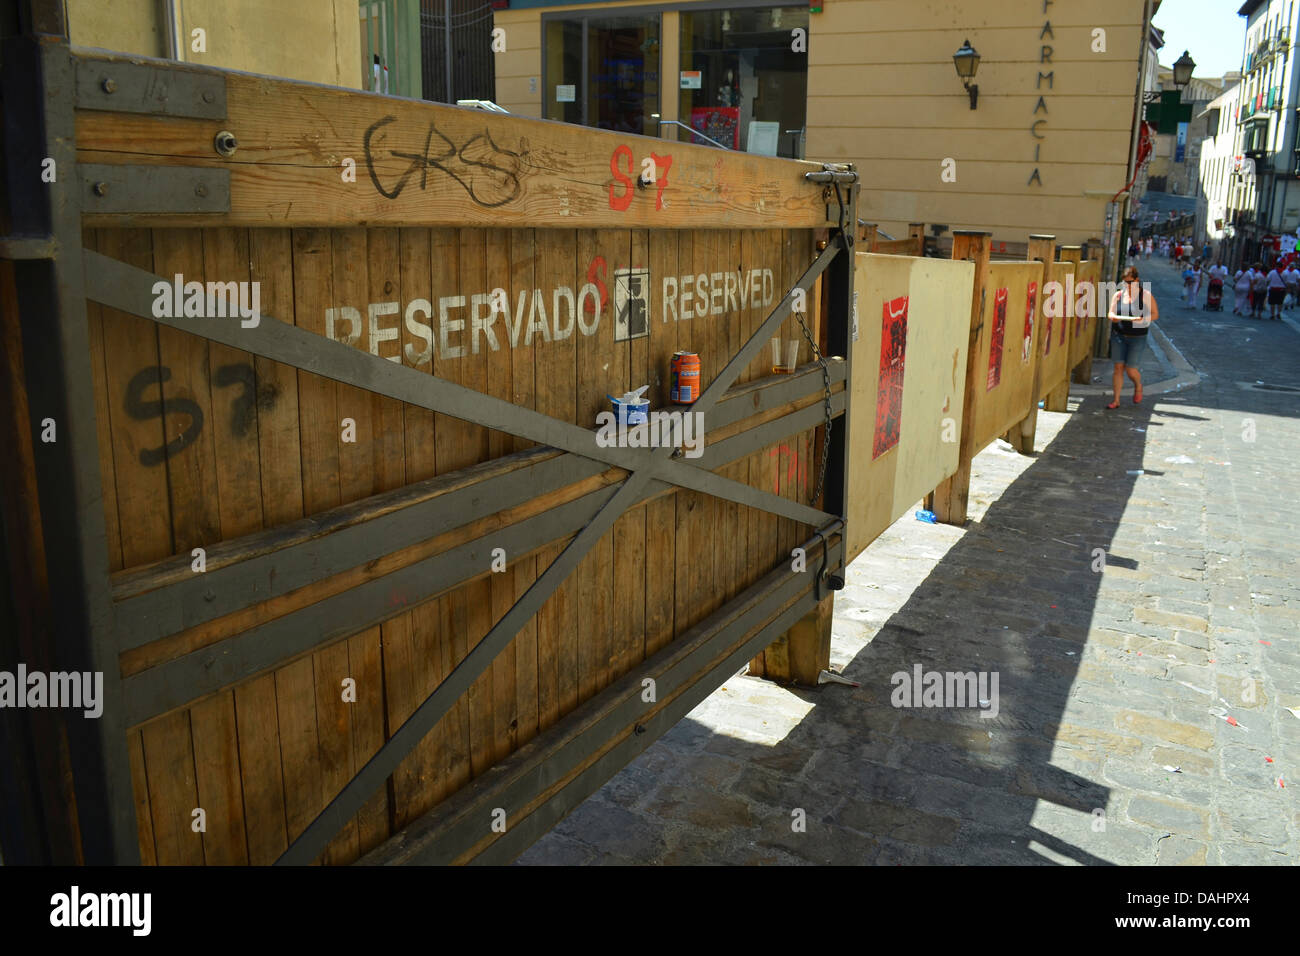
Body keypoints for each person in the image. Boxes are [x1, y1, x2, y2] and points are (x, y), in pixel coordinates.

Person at [1107, 265, 1158, 409]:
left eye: (1130, 282)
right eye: (1124, 282)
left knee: (1131, 369)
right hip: (1119, 335)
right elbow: (1110, 313)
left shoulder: (1145, 295)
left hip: (1137, 337)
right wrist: (1115, 318)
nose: (1127, 286)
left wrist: (1142, 319)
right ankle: (1116, 400)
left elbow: (1155, 314)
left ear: (1137, 280)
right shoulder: (1118, 295)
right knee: (1118, 368)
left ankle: (1138, 385)